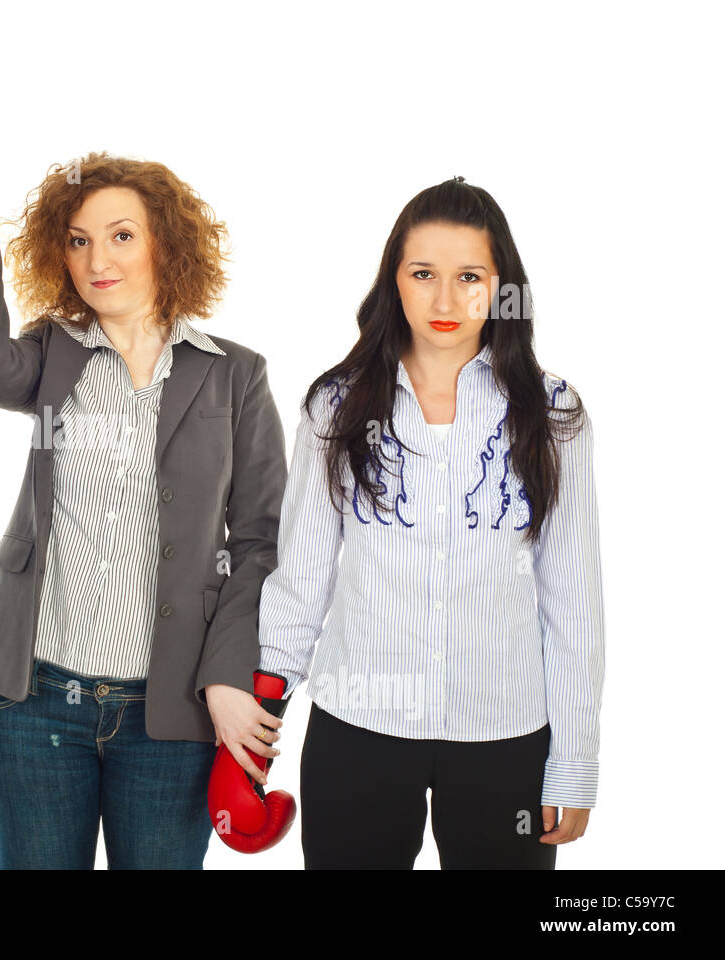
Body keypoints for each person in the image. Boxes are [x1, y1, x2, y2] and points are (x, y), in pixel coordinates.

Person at [0, 150, 288, 869]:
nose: (98, 258)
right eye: (78, 239)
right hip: (31, 704)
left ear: (166, 240)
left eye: (122, 235)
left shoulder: (235, 373)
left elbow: (260, 540)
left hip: (170, 717)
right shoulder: (53, 352)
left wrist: (227, 676)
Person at [258, 176, 604, 869]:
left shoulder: (554, 414)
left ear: (501, 287)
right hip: (358, 731)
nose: (445, 300)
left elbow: (573, 600)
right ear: (396, 281)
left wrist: (574, 761)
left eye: (469, 276)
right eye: (424, 274)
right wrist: (256, 736)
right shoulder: (337, 407)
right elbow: (299, 581)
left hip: (505, 737)